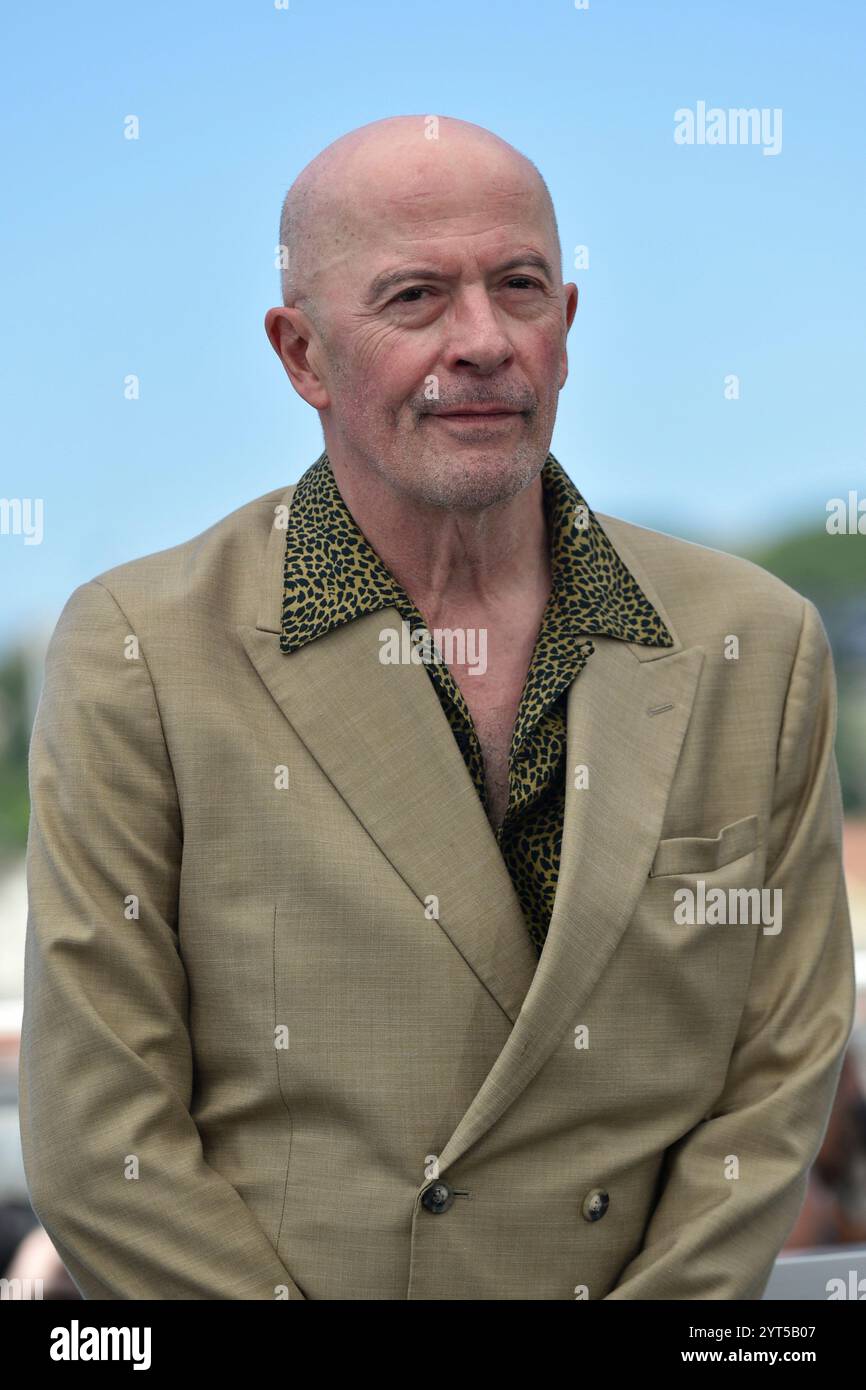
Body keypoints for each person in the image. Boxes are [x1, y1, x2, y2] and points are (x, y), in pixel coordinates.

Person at [19, 115, 856, 1300]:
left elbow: (778, 1070)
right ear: (300, 354)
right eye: (413, 297)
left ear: (565, 327)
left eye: (517, 288)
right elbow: (105, 1145)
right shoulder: (144, 650)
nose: (481, 342)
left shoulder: (752, 643)